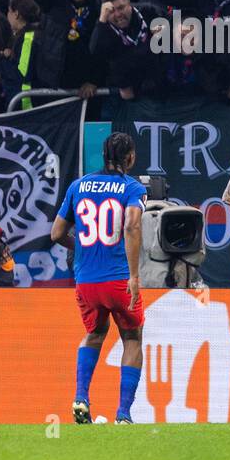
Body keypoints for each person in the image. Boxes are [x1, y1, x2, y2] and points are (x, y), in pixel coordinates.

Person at [50, 132, 146, 425]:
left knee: (95, 333)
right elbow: (131, 225)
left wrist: (82, 247)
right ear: (129, 157)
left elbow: (56, 234)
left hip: (86, 280)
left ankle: (81, 397)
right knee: (132, 338)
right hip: (118, 279)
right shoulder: (132, 187)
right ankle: (123, 414)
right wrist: (133, 275)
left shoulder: (78, 186)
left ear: (103, 156)